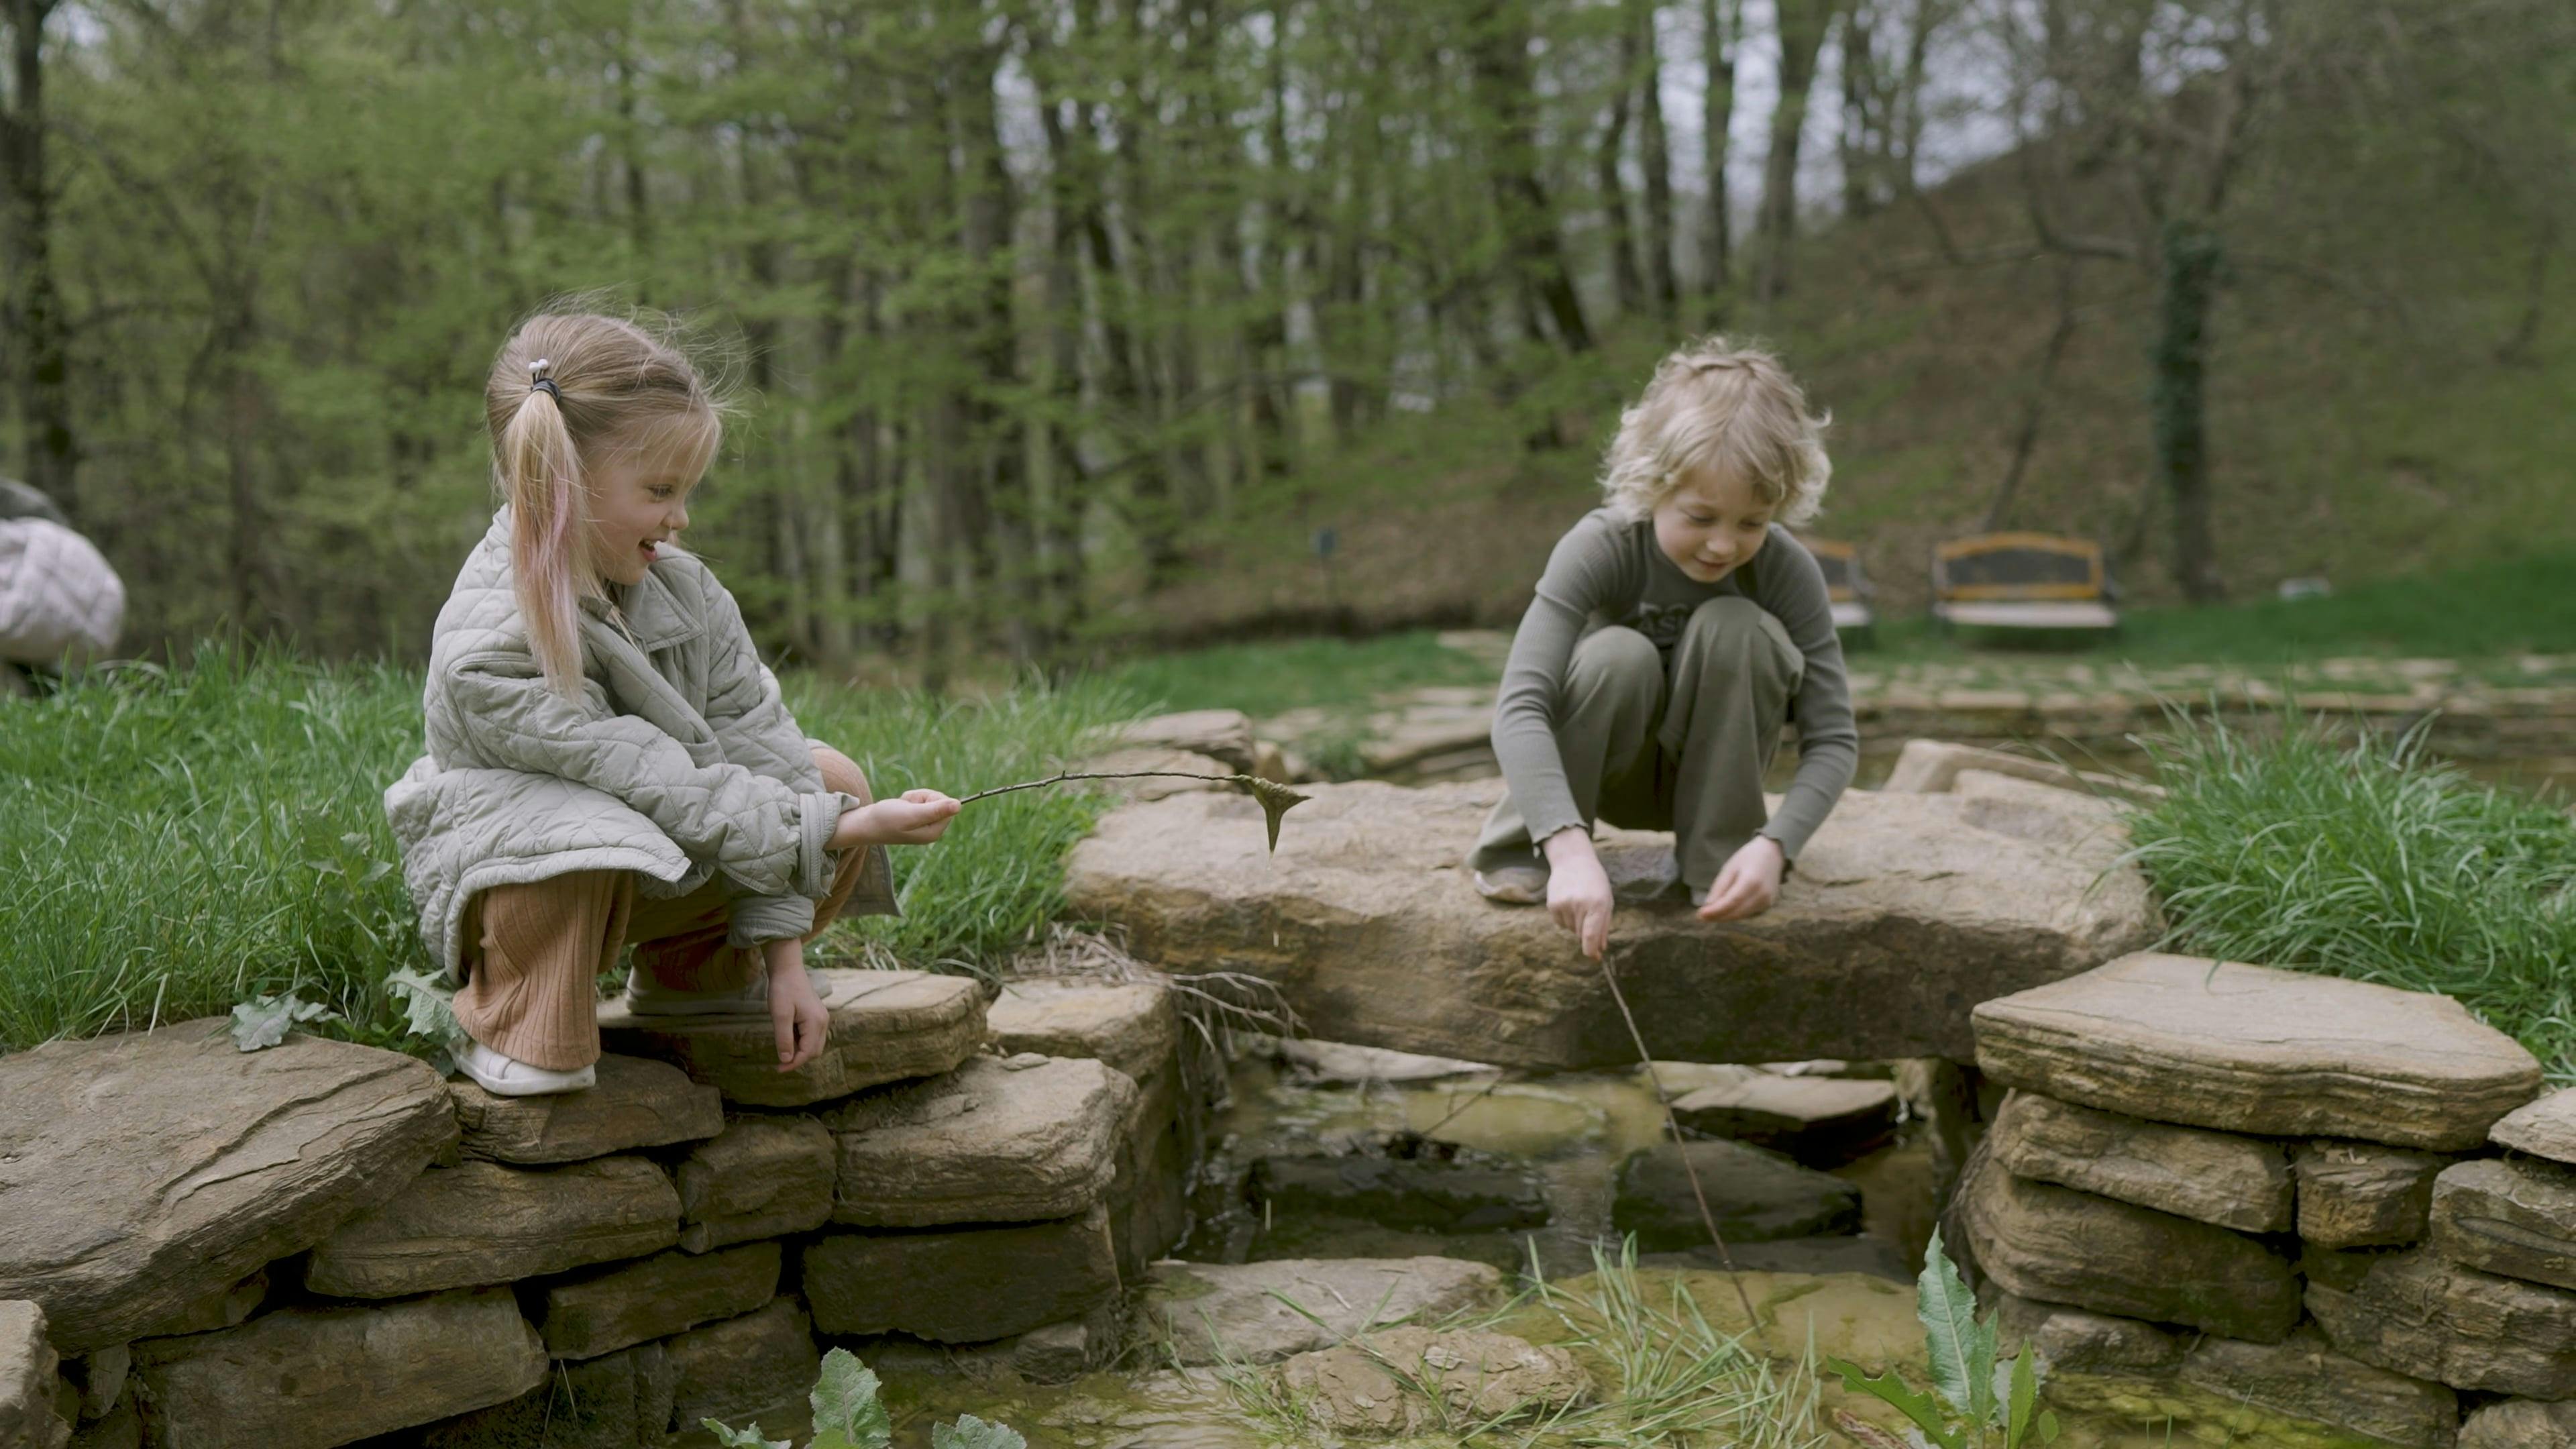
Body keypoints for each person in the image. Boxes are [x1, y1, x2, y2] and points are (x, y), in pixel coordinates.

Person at [385, 309, 961, 1097]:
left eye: (687, 491)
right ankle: (519, 1016)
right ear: (562, 480)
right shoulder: (490, 646)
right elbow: (654, 776)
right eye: (660, 490)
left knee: (831, 776)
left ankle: (702, 975)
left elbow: (761, 745)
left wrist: (782, 951)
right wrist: (840, 829)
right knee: (591, 834)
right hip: (531, 870)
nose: (681, 518)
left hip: (654, 843)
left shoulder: (683, 587)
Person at [1466, 337, 1858, 959]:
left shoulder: (1786, 570)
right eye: (1701, 518)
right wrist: (1571, 850)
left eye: (1752, 523)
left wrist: (1777, 844)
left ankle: (1719, 861)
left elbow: (1834, 738)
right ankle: (1525, 848)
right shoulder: (1601, 546)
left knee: (1737, 625)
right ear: (1651, 484)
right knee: (1618, 653)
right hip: (1600, 772)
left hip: (1714, 782)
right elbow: (1519, 706)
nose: (1725, 546)